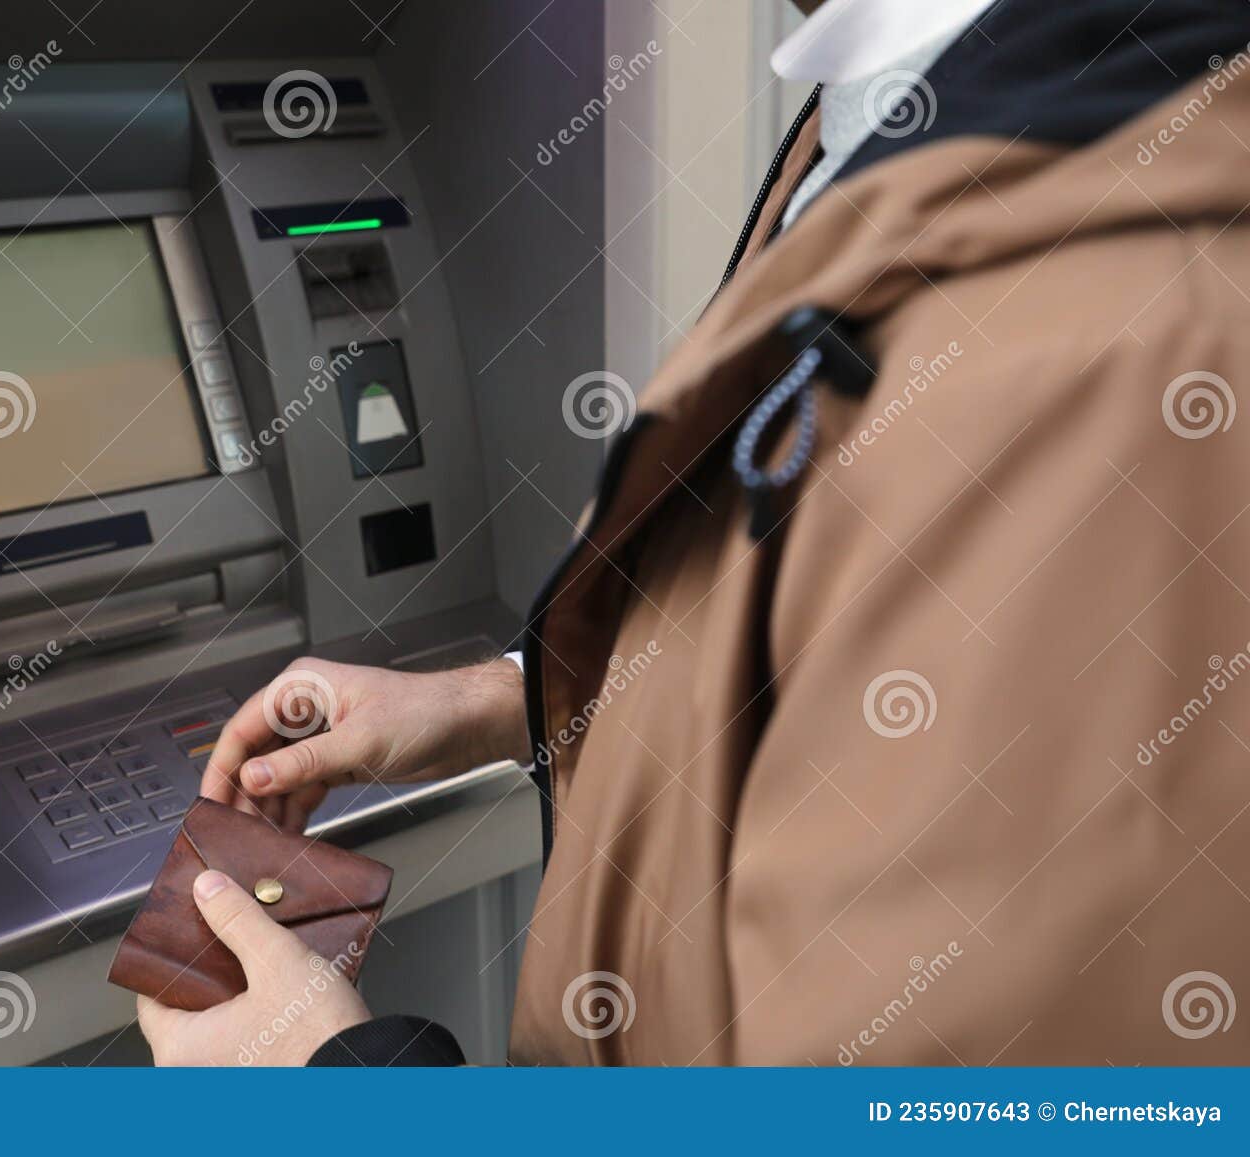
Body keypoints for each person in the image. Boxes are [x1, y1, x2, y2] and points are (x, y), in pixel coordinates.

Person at [139, 0, 1250, 1065]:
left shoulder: (1119, 325)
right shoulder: (909, 106)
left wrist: (336, 1077)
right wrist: (511, 695)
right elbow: (816, 638)